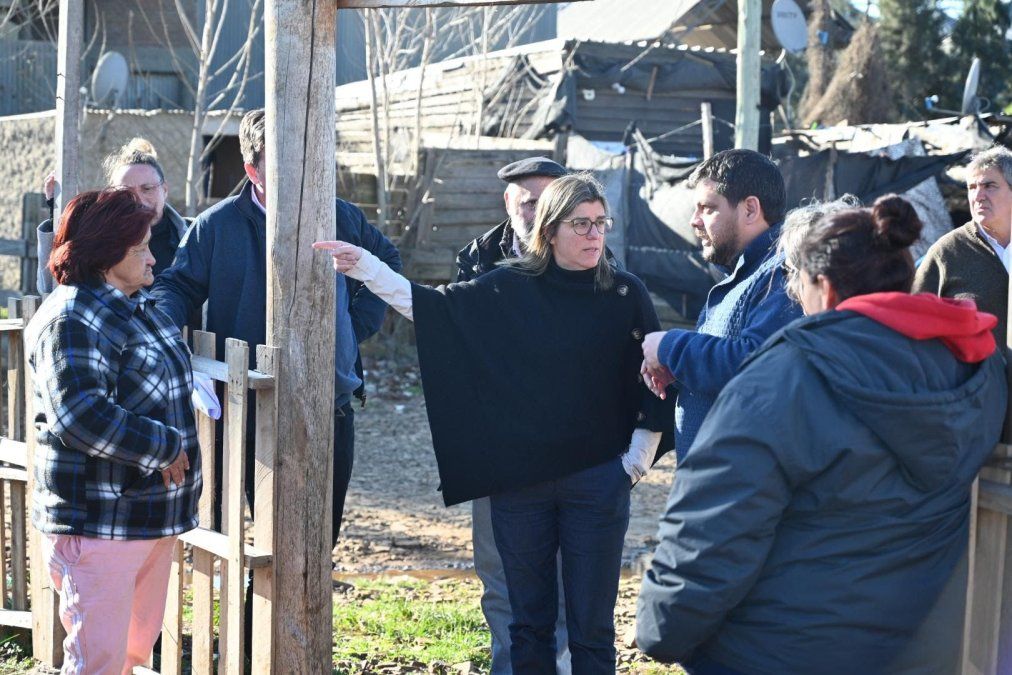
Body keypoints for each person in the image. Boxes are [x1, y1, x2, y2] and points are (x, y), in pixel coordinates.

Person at [316, 173, 672, 674]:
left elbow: (654, 382)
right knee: (527, 622)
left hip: (597, 483)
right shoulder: (509, 285)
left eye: (600, 223)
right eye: (581, 224)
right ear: (549, 231)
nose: (595, 235)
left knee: (592, 628)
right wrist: (368, 268)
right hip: (520, 485)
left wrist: (634, 462)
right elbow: (434, 308)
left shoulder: (624, 293)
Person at [636, 195, 1007, 674]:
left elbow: (718, 524)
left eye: (796, 280)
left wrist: (663, 626)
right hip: (925, 648)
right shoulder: (981, 365)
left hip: (780, 651)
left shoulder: (785, 378)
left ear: (824, 288)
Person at [152, 108, 400, 550]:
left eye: (308, 156)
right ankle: (253, 618)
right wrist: (174, 341)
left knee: (321, 535)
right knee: (258, 538)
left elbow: (385, 265)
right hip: (248, 404)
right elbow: (176, 285)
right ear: (252, 169)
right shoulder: (218, 225)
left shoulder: (342, 216)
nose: (302, 171)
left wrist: (353, 328)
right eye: (284, 162)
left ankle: (304, 618)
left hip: (330, 400)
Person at [26, 188, 201, 673]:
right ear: (105, 255)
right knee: (97, 664)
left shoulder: (135, 304)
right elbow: (79, 413)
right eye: (141, 247)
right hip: (98, 525)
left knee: (129, 659)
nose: (154, 256)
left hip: (145, 519)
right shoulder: (72, 317)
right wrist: (165, 447)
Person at [454, 155, 572, 675]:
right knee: (500, 574)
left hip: (569, 447)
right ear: (509, 202)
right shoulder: (477, 259)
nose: (538, 213)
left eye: (549, 203)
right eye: (529, 201)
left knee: (566, 575)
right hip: (497, 448)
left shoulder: (589, 255)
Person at [640, 149, 802, 463]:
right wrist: (684, 369)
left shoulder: (781, 277)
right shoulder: (745, 274)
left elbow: (758, 365)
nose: (694, 221)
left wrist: (671, 346)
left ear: (750, 209)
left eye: (708, 208)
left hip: (743, 490)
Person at [37, 138, 189, 293]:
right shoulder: (98, 238)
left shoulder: (194, 234)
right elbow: (51, 285)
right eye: (125, 191)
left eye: (147, 188)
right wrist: (55, 215)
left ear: (164, 189)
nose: (138, 199)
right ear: (112, 195)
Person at [914, 146, 1012, 344]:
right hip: (975, 374)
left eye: (989, 186)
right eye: (972, 188)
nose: (978, 196)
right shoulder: (946, 253)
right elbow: (916, 324)